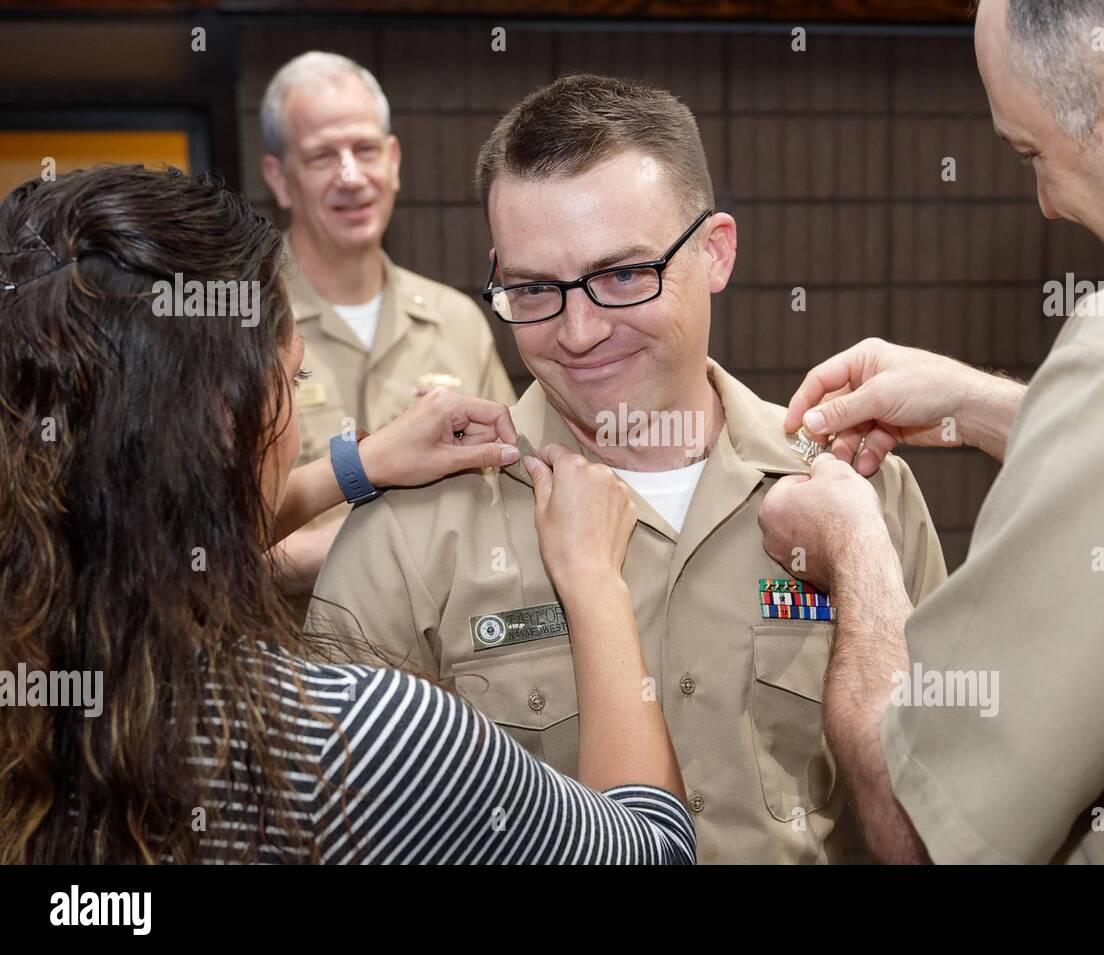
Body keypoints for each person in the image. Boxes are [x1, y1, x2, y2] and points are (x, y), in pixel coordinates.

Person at [309, 74, 949, 864]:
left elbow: (947, 802)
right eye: (535, 288)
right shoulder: (411, 533)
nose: (578, 331)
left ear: (715, 252)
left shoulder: (858, 491)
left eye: (622, 276)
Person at [0, 164, 693, 864]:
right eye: (293, 378)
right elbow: (651, 849)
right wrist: (594, 582)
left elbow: (120, 537)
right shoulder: (357, 741)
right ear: (230, 414)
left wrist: (352, 465)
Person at [758, 0, 1104, 863]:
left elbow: (918, 825)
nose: (1046, 203)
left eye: (1034, 154)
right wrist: (988, 406)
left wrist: (855, 547)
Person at [259, 52, 516, 595]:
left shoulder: (456, 320)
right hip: (298, 661)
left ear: (394, 160)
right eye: (323, 156)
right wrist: (372, 549)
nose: (351, 176)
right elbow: (200, 548)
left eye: (365, 149)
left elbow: (509, 483)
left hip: (439, 661)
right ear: (279, 179)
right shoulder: (245, 324)